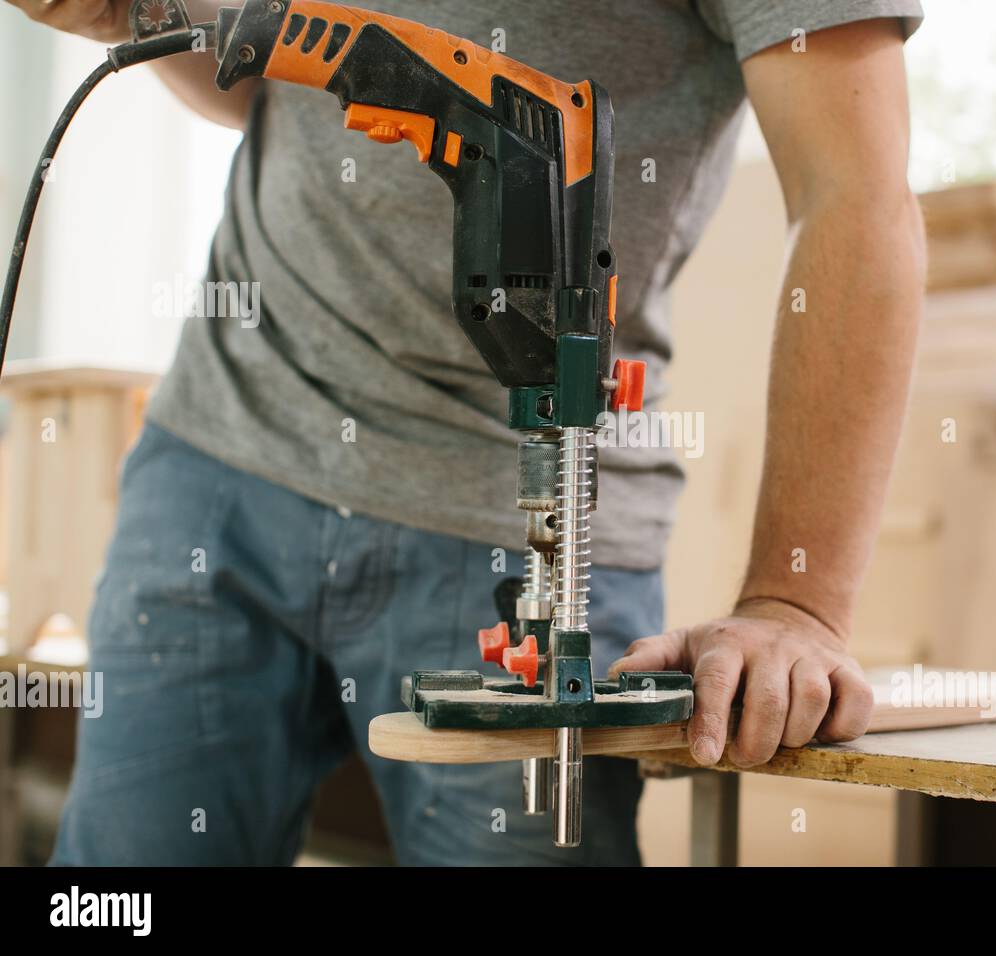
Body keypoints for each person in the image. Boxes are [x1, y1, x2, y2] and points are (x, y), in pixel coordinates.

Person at [10, 0, 926, 865]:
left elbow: (856, 189)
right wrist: (142, 11)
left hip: (524, 541)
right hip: (222, 453)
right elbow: (267, 83)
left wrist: (794, 604)